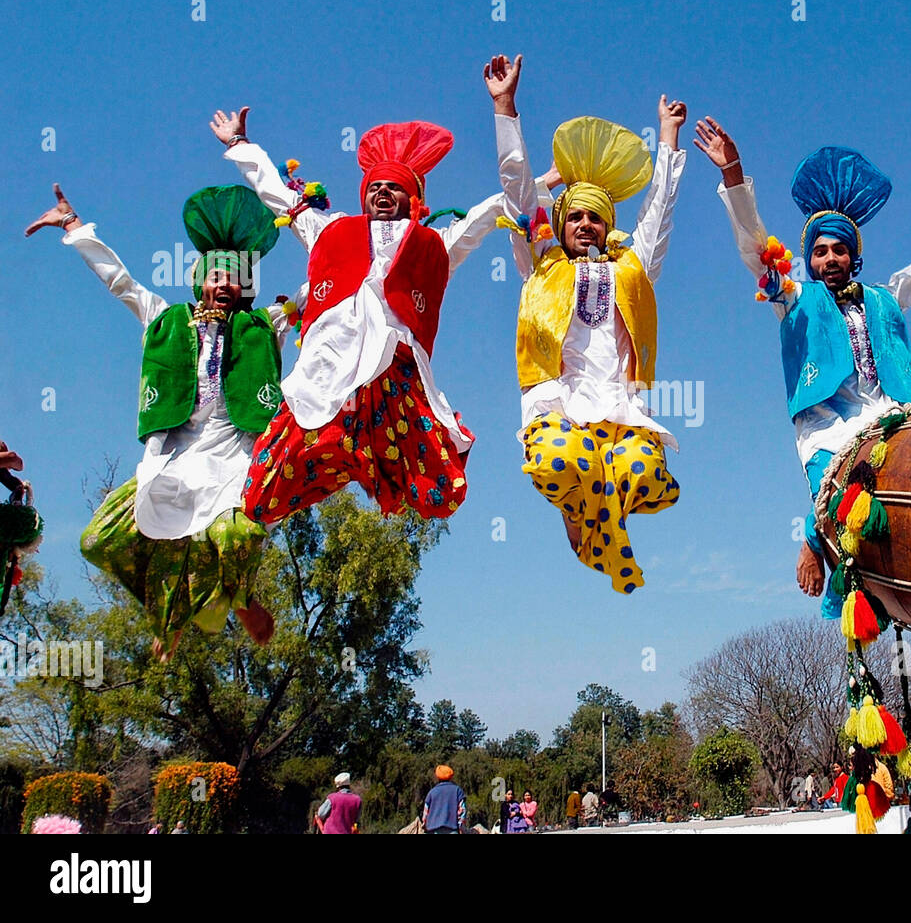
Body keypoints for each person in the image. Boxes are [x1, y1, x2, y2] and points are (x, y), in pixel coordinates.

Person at [697, 119, 911, 614]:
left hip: (893, 412)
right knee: (842, 496)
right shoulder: (790, 297)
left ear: (853, 257)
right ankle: (815, 545)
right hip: (826, 425)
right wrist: (733, 172)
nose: (830, 258)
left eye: (839, 250)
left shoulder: (882, 298)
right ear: (808, 261)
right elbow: (754, 245)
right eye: (819, 251)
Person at [209, 65, 519, 526]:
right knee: (259, 497)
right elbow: (278, 197)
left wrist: (521, 145)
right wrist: (241, 146)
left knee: (440, 488)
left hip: (394, 378)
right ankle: (341, 460)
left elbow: (490, 213)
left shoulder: (430, 245)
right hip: (326, 376)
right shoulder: (332, 231)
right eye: (375, 187)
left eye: (394, 187)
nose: (382, 193)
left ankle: (372, 462)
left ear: (412, 198)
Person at [26, 184, 288, 660]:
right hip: (174, 458)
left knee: (238, 535)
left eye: (234, 278)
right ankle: (169, 613)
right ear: (200, 282)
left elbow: (327, 290)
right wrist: (73, 226)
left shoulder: (265, 326)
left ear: (245, 287)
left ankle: (242, 598)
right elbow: (120, 282)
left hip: (232, 460)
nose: (224, 285)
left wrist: (343, 226)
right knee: (97, 540)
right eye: (216, 277)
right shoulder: (166, 320)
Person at [494, 53, 687, 594]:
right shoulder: (541, 260)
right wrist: (505, 107)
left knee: (646, 474)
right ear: (560, 222)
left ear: (608, 225)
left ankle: (599, 515)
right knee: (559, 461)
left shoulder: (633, 266)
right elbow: (517, 189)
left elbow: (660, 212)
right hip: (558, 403)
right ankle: (580, 515)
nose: (584, 223)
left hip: (621, 409)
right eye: (575, 215)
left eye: (594, 216)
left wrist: (668, 138)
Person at [423, 764, 466, 835]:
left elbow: (425, 813)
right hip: (451, 829)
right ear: (451, 777)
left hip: (432, 830)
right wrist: (460, 827)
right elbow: (462, 811)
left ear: (437, 777)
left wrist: (425, 826)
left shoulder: (432, 792)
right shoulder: (457, 791)